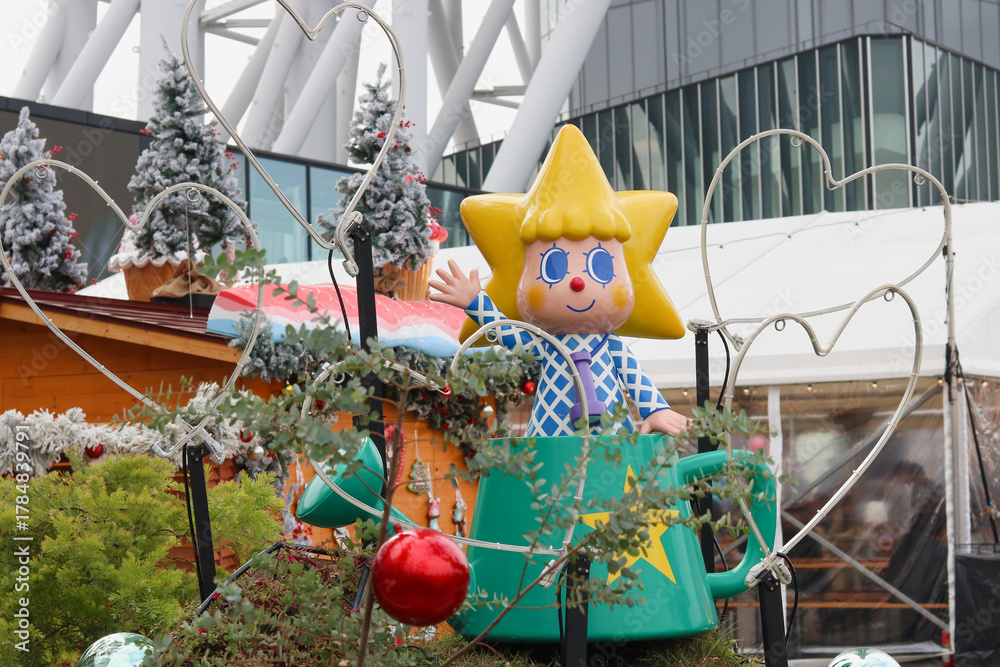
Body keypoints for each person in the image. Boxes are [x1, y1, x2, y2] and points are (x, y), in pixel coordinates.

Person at [430, 124, 689, 438]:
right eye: (553, 267)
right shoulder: (547, 346)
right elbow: (508, 334)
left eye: (600, 266)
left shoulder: (610, 346)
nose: (577, 282)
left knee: (615, 480)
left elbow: (635, 378)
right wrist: (476, 302)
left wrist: (656, 409)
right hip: (548, 440)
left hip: (611, 442)